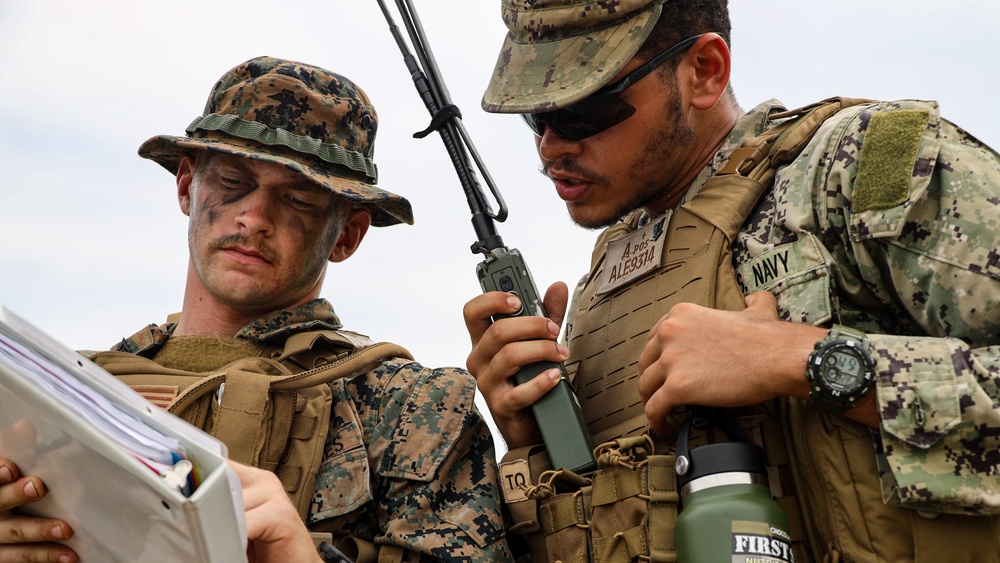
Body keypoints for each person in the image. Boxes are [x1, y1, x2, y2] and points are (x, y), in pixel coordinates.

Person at [463, 1, 1000, 561]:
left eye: (584, 113)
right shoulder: (604, 284)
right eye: (535, 119)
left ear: (705, 71)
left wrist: (811, 363)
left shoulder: (863, 168)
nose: (551, 147)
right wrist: (537, 442)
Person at [0, 56, 512, 563]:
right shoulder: (65, 391)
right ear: (186, 186)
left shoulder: (413, 407)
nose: (255, 217)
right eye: (233, 182)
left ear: (348, 235)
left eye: (297, 199)